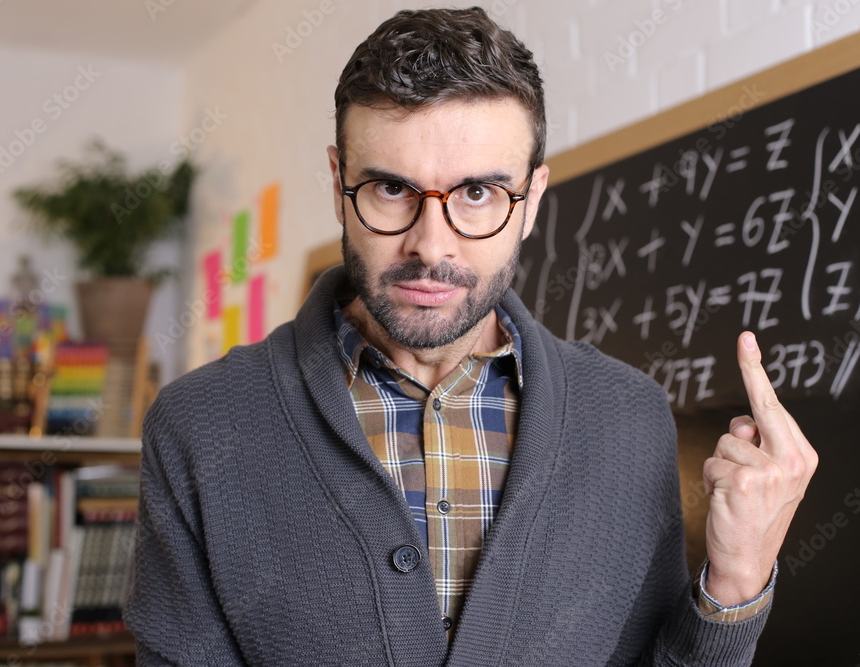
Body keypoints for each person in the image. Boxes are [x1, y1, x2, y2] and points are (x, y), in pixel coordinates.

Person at [124, 7, 818, 665]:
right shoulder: (198, 427)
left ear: (533, 198)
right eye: (391, 189)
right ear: (339, 182)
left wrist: (735, 579)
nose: (432, 245)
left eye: (479, 194)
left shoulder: (629, 418)